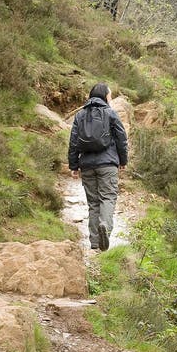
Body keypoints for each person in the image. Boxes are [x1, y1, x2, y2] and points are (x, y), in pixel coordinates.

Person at [68, 83, 128, 251]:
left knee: (93, 203)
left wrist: (74, 165)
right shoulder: (110, 113)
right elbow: (121, 139)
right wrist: (123, 161)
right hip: (107, 164)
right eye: (109, 95)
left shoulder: (80, 116)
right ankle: (105, 227)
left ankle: (95, 242)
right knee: (108, 198)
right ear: (104, 96)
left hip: (86, 166)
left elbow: (73, 142)